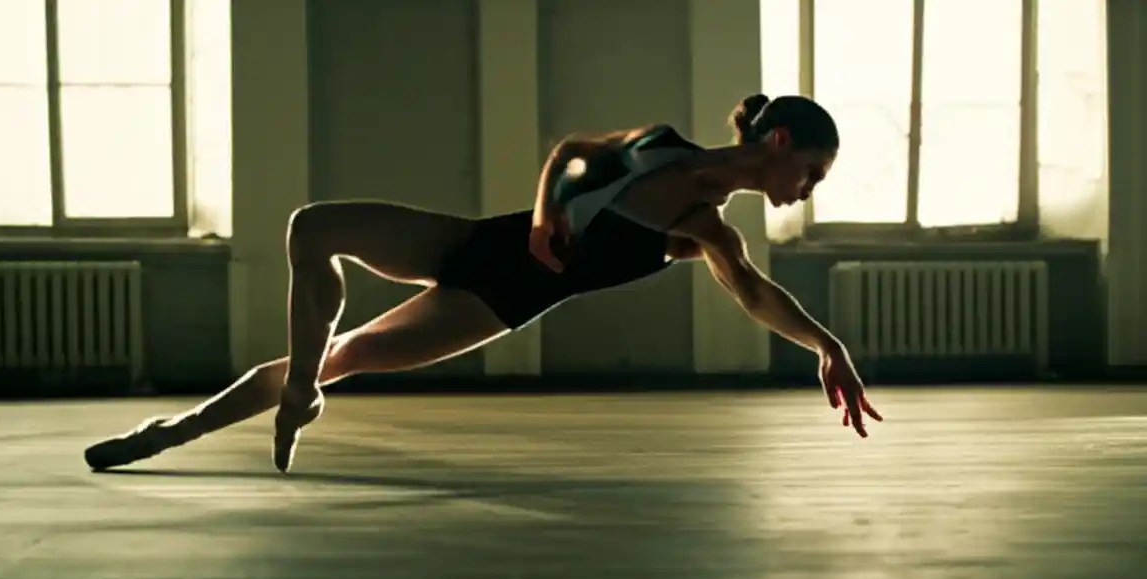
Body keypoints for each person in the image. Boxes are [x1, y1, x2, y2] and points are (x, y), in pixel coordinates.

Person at [84, 93, 883, 474]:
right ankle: (299, 392)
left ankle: (170, 433)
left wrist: (827, 345)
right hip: (478, 241)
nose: (806, 191)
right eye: (811, 173)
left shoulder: (705, 230)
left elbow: (754, 293)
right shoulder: (661, 144)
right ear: (780, 141)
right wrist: (543, 215)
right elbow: (573, 152)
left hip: (495, 301)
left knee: (344, 356)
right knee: (312, 227)